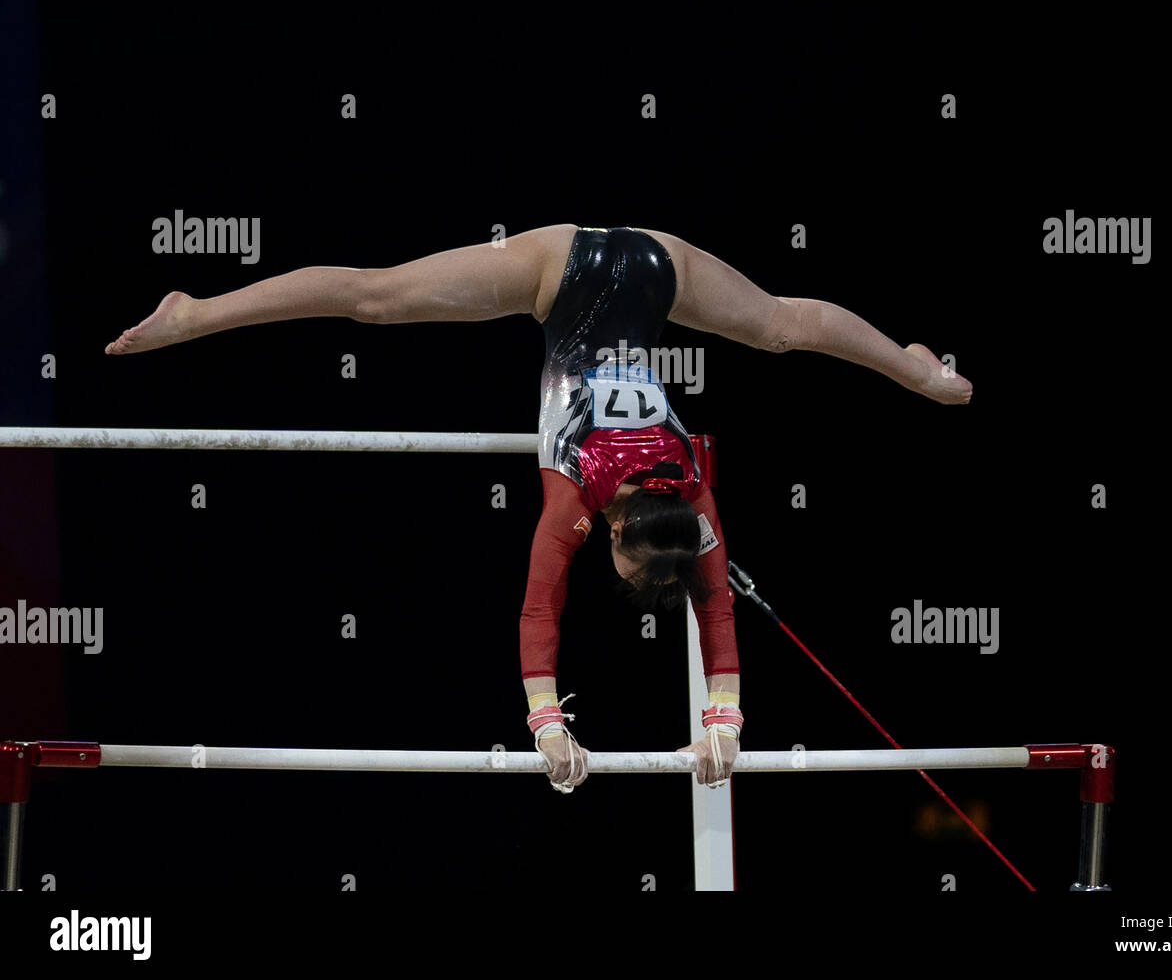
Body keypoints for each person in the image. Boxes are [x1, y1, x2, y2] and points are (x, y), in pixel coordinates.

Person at [105, 223, 972, 791]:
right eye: (620, 559)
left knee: (782, 324)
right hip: (558, 274)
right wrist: (547, 721)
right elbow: (538, 605)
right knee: (376, 299)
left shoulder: (691, 486)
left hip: (657, 263)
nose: (609, 561)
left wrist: (723, 715)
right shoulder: (576, 488)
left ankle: (918, 368)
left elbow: (713, 599)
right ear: (621, 526)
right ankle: (194, 312)